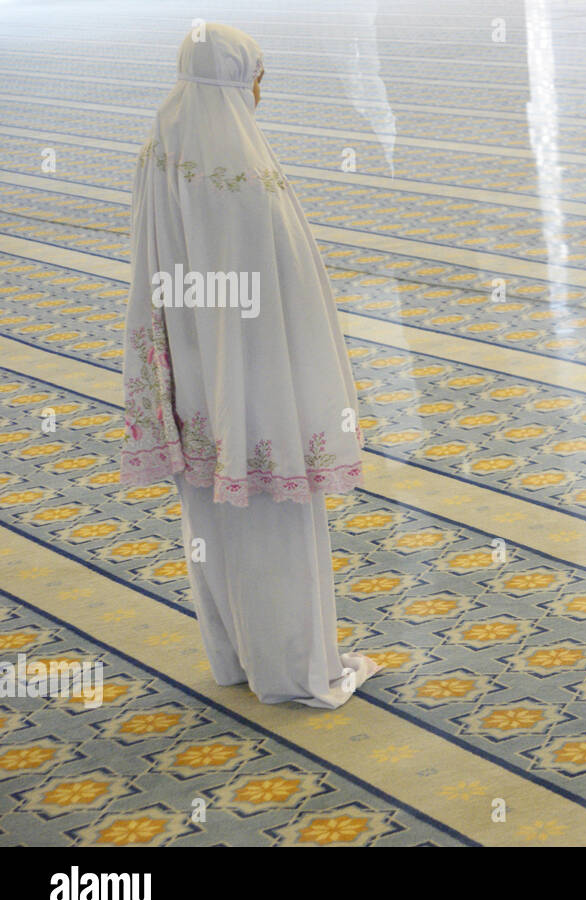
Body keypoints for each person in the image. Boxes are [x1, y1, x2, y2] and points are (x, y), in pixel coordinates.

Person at [120, 22, 380, 708]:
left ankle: (235, 658)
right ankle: (295, 673)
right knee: (274, 527)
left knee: (212, 523)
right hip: (260, 387)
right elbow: (292, 296)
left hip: (198, 379)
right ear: (237, 79)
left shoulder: (162, 148)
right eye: (256, 76)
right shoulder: (246, 174)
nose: (261, 90)